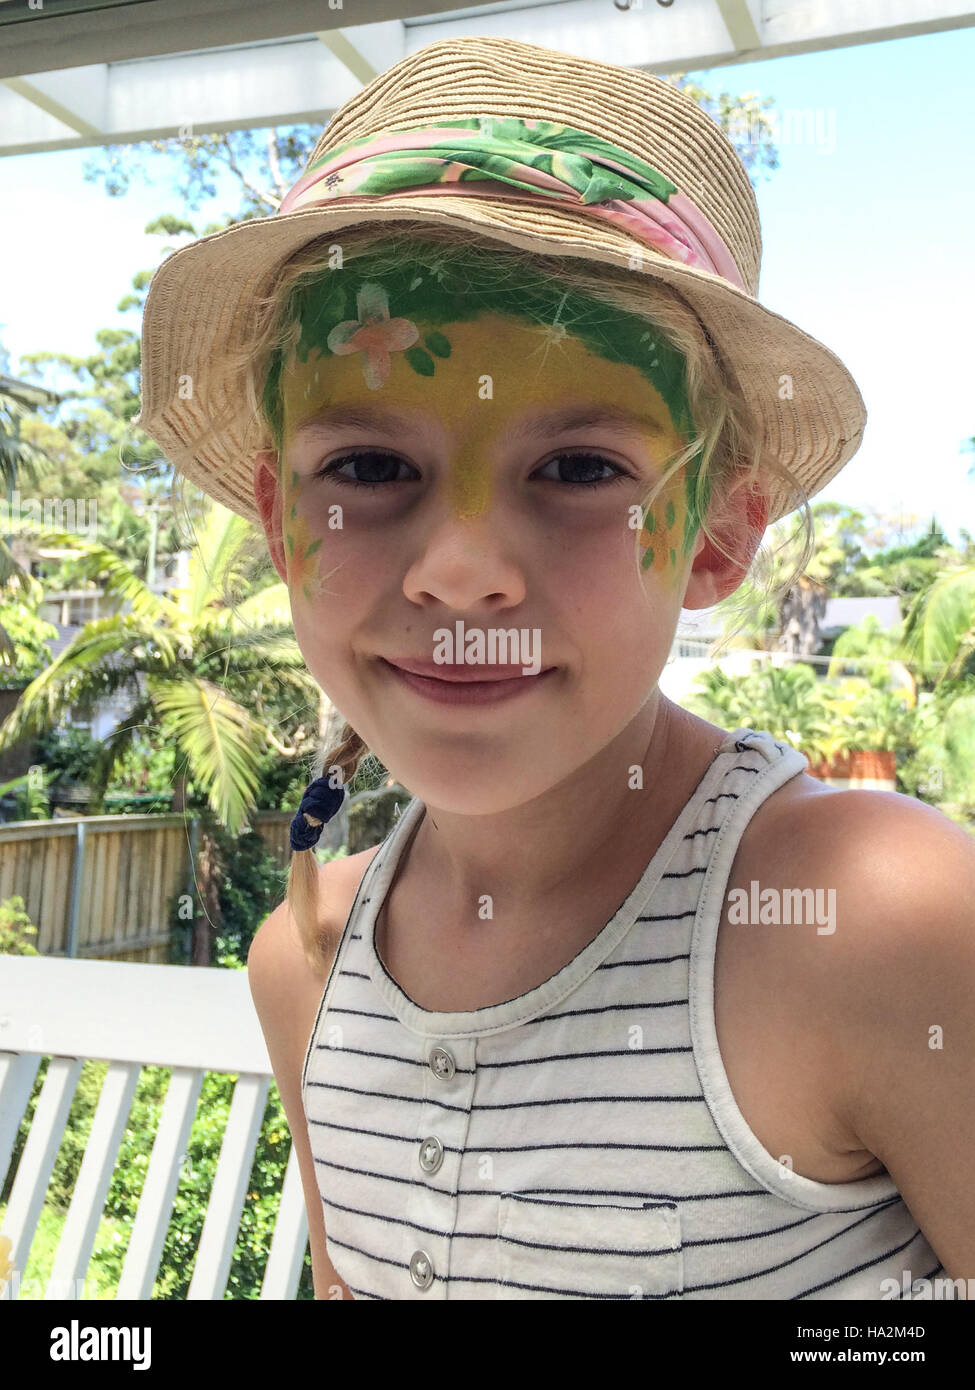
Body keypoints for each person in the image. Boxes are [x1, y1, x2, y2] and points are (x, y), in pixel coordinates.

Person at [135, 35, 975, 1301]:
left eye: (581, 470)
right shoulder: (302, 963)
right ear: (278, 521)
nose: (460, 570)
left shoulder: (873, 915)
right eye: (368, 468)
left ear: (720, 535)